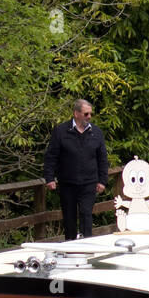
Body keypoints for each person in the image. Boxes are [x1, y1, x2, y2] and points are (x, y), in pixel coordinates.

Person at [44, 99, 109, 241]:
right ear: (76, 114)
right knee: (69, 217)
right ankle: (70, 246)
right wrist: (49, 178)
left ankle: (87, 245)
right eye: (86, 114)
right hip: (67, 182)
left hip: (89, 182)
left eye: (90, 114)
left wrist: (103, 181)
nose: (89, 117)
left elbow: (102, 159)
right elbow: (51, 156)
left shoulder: (96, 132)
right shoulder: (61, 131)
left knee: (86, 214)